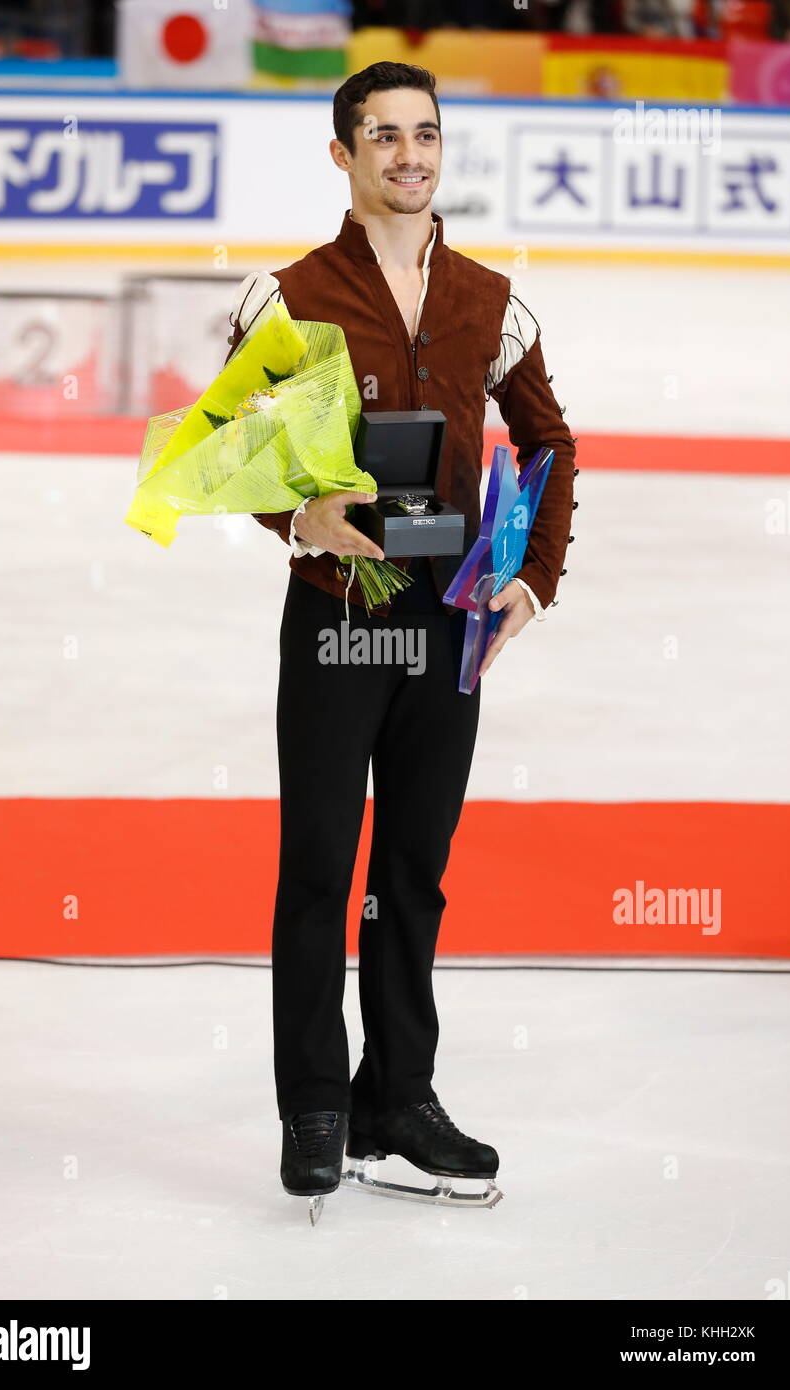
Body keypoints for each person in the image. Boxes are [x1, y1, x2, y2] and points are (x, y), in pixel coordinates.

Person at [224, 61, 576, 1206]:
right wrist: (298, 515)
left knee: (412, 874)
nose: (408, 155)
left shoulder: (489, 298)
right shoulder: (288, 295)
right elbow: (222, 432)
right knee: (320, 868)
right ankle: (316, 1106)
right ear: (343, 155)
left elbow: (549, 442)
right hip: (337, 617)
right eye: (382, 136)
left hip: (448, 626)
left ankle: (398, 1099)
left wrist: (529, 577)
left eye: (424, 133)